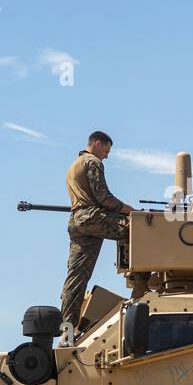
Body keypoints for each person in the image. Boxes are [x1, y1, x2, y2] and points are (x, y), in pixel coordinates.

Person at [61, 131, 135, 330]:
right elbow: (104, 198)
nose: (107, 156)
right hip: (91, 217)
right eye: (106, 150)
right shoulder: (92, 162)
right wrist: (130, 211)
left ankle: (67, 329)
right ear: (96, 143)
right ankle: (140, 287)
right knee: (140, 229)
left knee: (76, 277)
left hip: (77, 222)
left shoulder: (73, 165)